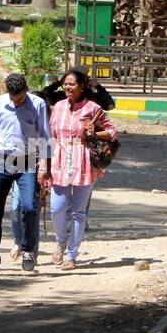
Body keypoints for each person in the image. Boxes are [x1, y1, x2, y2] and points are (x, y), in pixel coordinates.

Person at [43, 67, 117, 270]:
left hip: (84, 162)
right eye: (65, 83)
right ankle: (60, 242)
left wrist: (95, 133)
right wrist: (44, 167)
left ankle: (71, 254)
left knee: (78, 212)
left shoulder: (93, 108)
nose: (67, 87)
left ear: (82, 86)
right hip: (59, 161)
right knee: (56, 208)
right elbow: (49, 137)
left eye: (72, 84)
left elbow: (111, 132)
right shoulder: (57, 107)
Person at [0, 73, 50, 274]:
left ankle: (28, 249)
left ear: (26, 90)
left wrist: (43, 168)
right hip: (1, 160)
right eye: (14, 98)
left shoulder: (38, 104)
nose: (17, 101)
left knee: (29, 208)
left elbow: (44, 137)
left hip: (27, 161)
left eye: (20, 97)